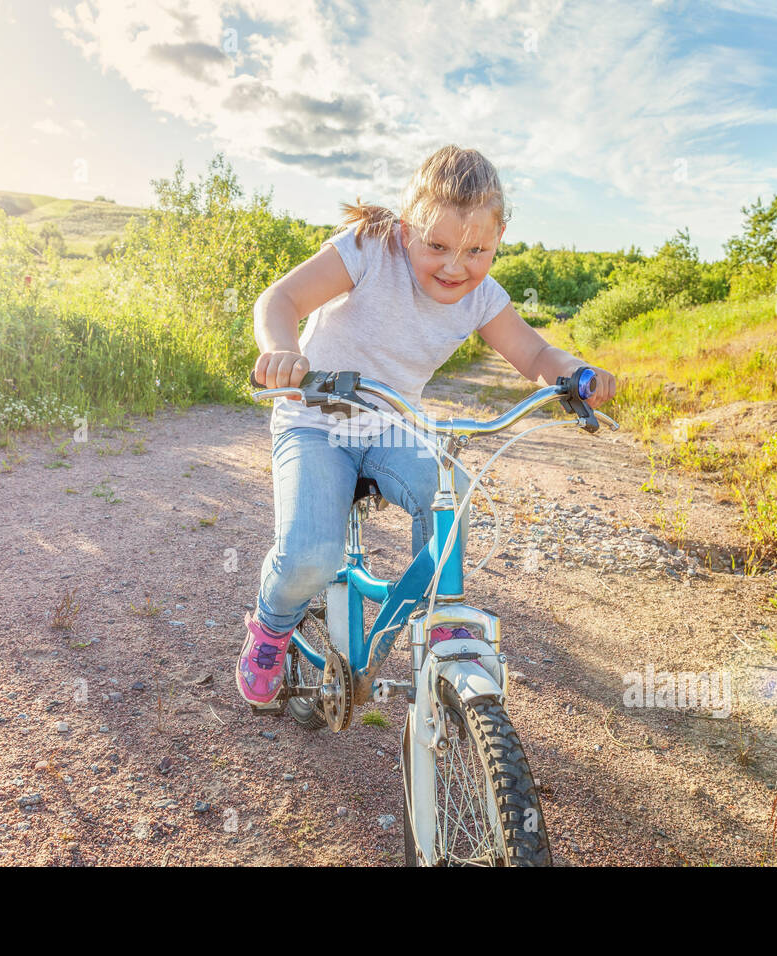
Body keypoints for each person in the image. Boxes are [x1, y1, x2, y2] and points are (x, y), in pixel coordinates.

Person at [236, 144, 616, 705]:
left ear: (500, 237)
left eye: (476, 250)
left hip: (393, 428)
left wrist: (575, 373)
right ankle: (271, 627)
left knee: (450, 492)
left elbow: (534, 354)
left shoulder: (482, 296)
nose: (455, 266)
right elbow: (282, 298)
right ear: (407, 227)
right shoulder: (368, 248)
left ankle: (440, 617)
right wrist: (282, 351)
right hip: (314, 419)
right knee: (311, 556)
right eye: (437, 245)